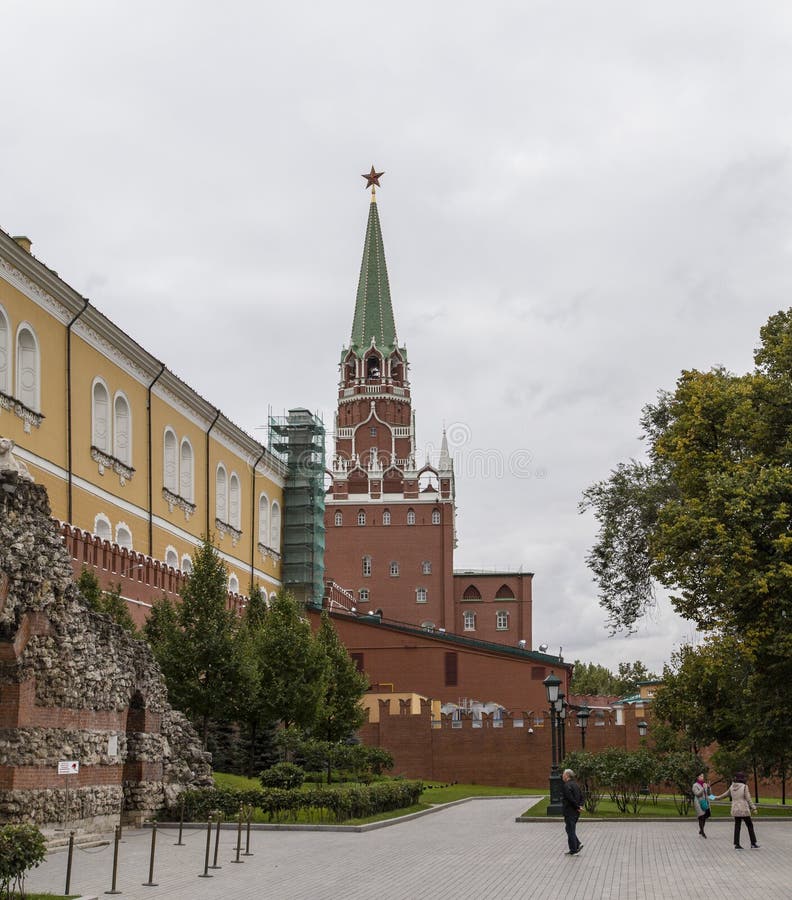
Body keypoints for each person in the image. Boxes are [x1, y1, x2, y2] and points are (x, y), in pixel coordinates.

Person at [713, 773, 759, 849]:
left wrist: (711, 796)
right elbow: (748, 798)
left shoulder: (731, 787)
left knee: (737, 826)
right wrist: (754, 808)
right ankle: (753, 843)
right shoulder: (744, 787)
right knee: (750, 825)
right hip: (744, 809)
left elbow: (721, 796)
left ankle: (737, 844)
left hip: (735, 809)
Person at [561, 768, 584, 855]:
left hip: (570, 812)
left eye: (563, 774)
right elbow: (582, 796)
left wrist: (578, 806)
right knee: (569, 829)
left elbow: (570, 799)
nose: (562, 776)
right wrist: (580, 806)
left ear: (567, 775)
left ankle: (574, 850)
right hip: (576, 812)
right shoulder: (576, 785)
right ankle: (576, 844)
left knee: (570, 830)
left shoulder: (566, 786)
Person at [692, 773, 712, 838]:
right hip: (698, 802)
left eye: (703, 776)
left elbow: (709, 794)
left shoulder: (705, 784)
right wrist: (703, 788)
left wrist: (708, 787)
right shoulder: (695, 785)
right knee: (701, 817)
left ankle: (701, 830)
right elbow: (697, 794)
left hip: (705, 802)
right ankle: (702, 832)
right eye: (700, 776)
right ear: (697, 777)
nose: (702, 777)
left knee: (705, 816)